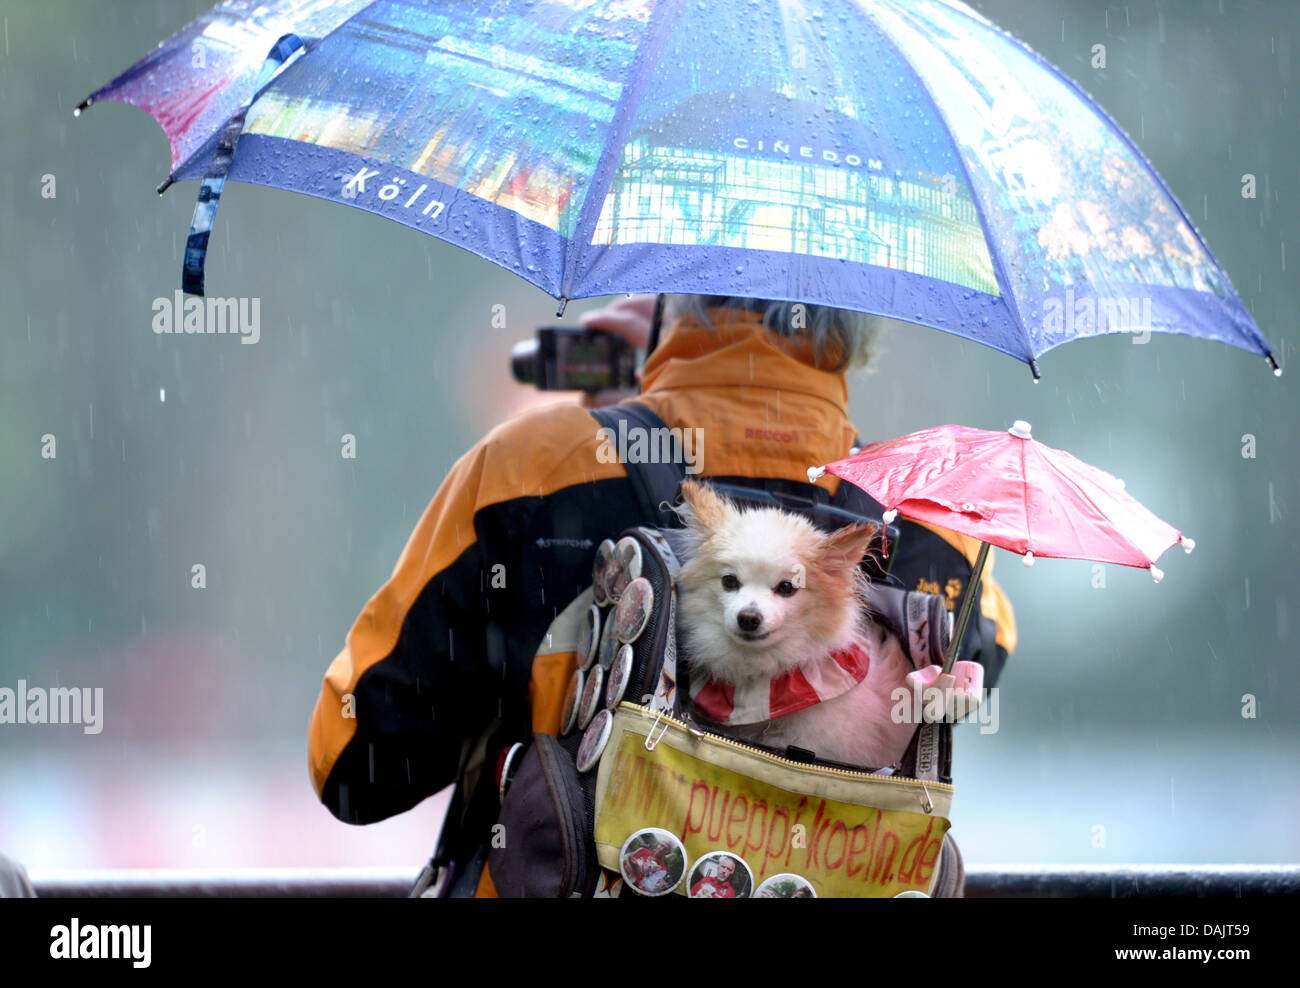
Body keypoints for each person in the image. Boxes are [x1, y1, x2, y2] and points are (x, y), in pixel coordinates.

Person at [307, 293, 1017, 896]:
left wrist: (616, 434)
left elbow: (356, 768)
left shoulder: (531, 471)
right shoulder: (937, 531)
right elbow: (977, 661)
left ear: (670, 295)